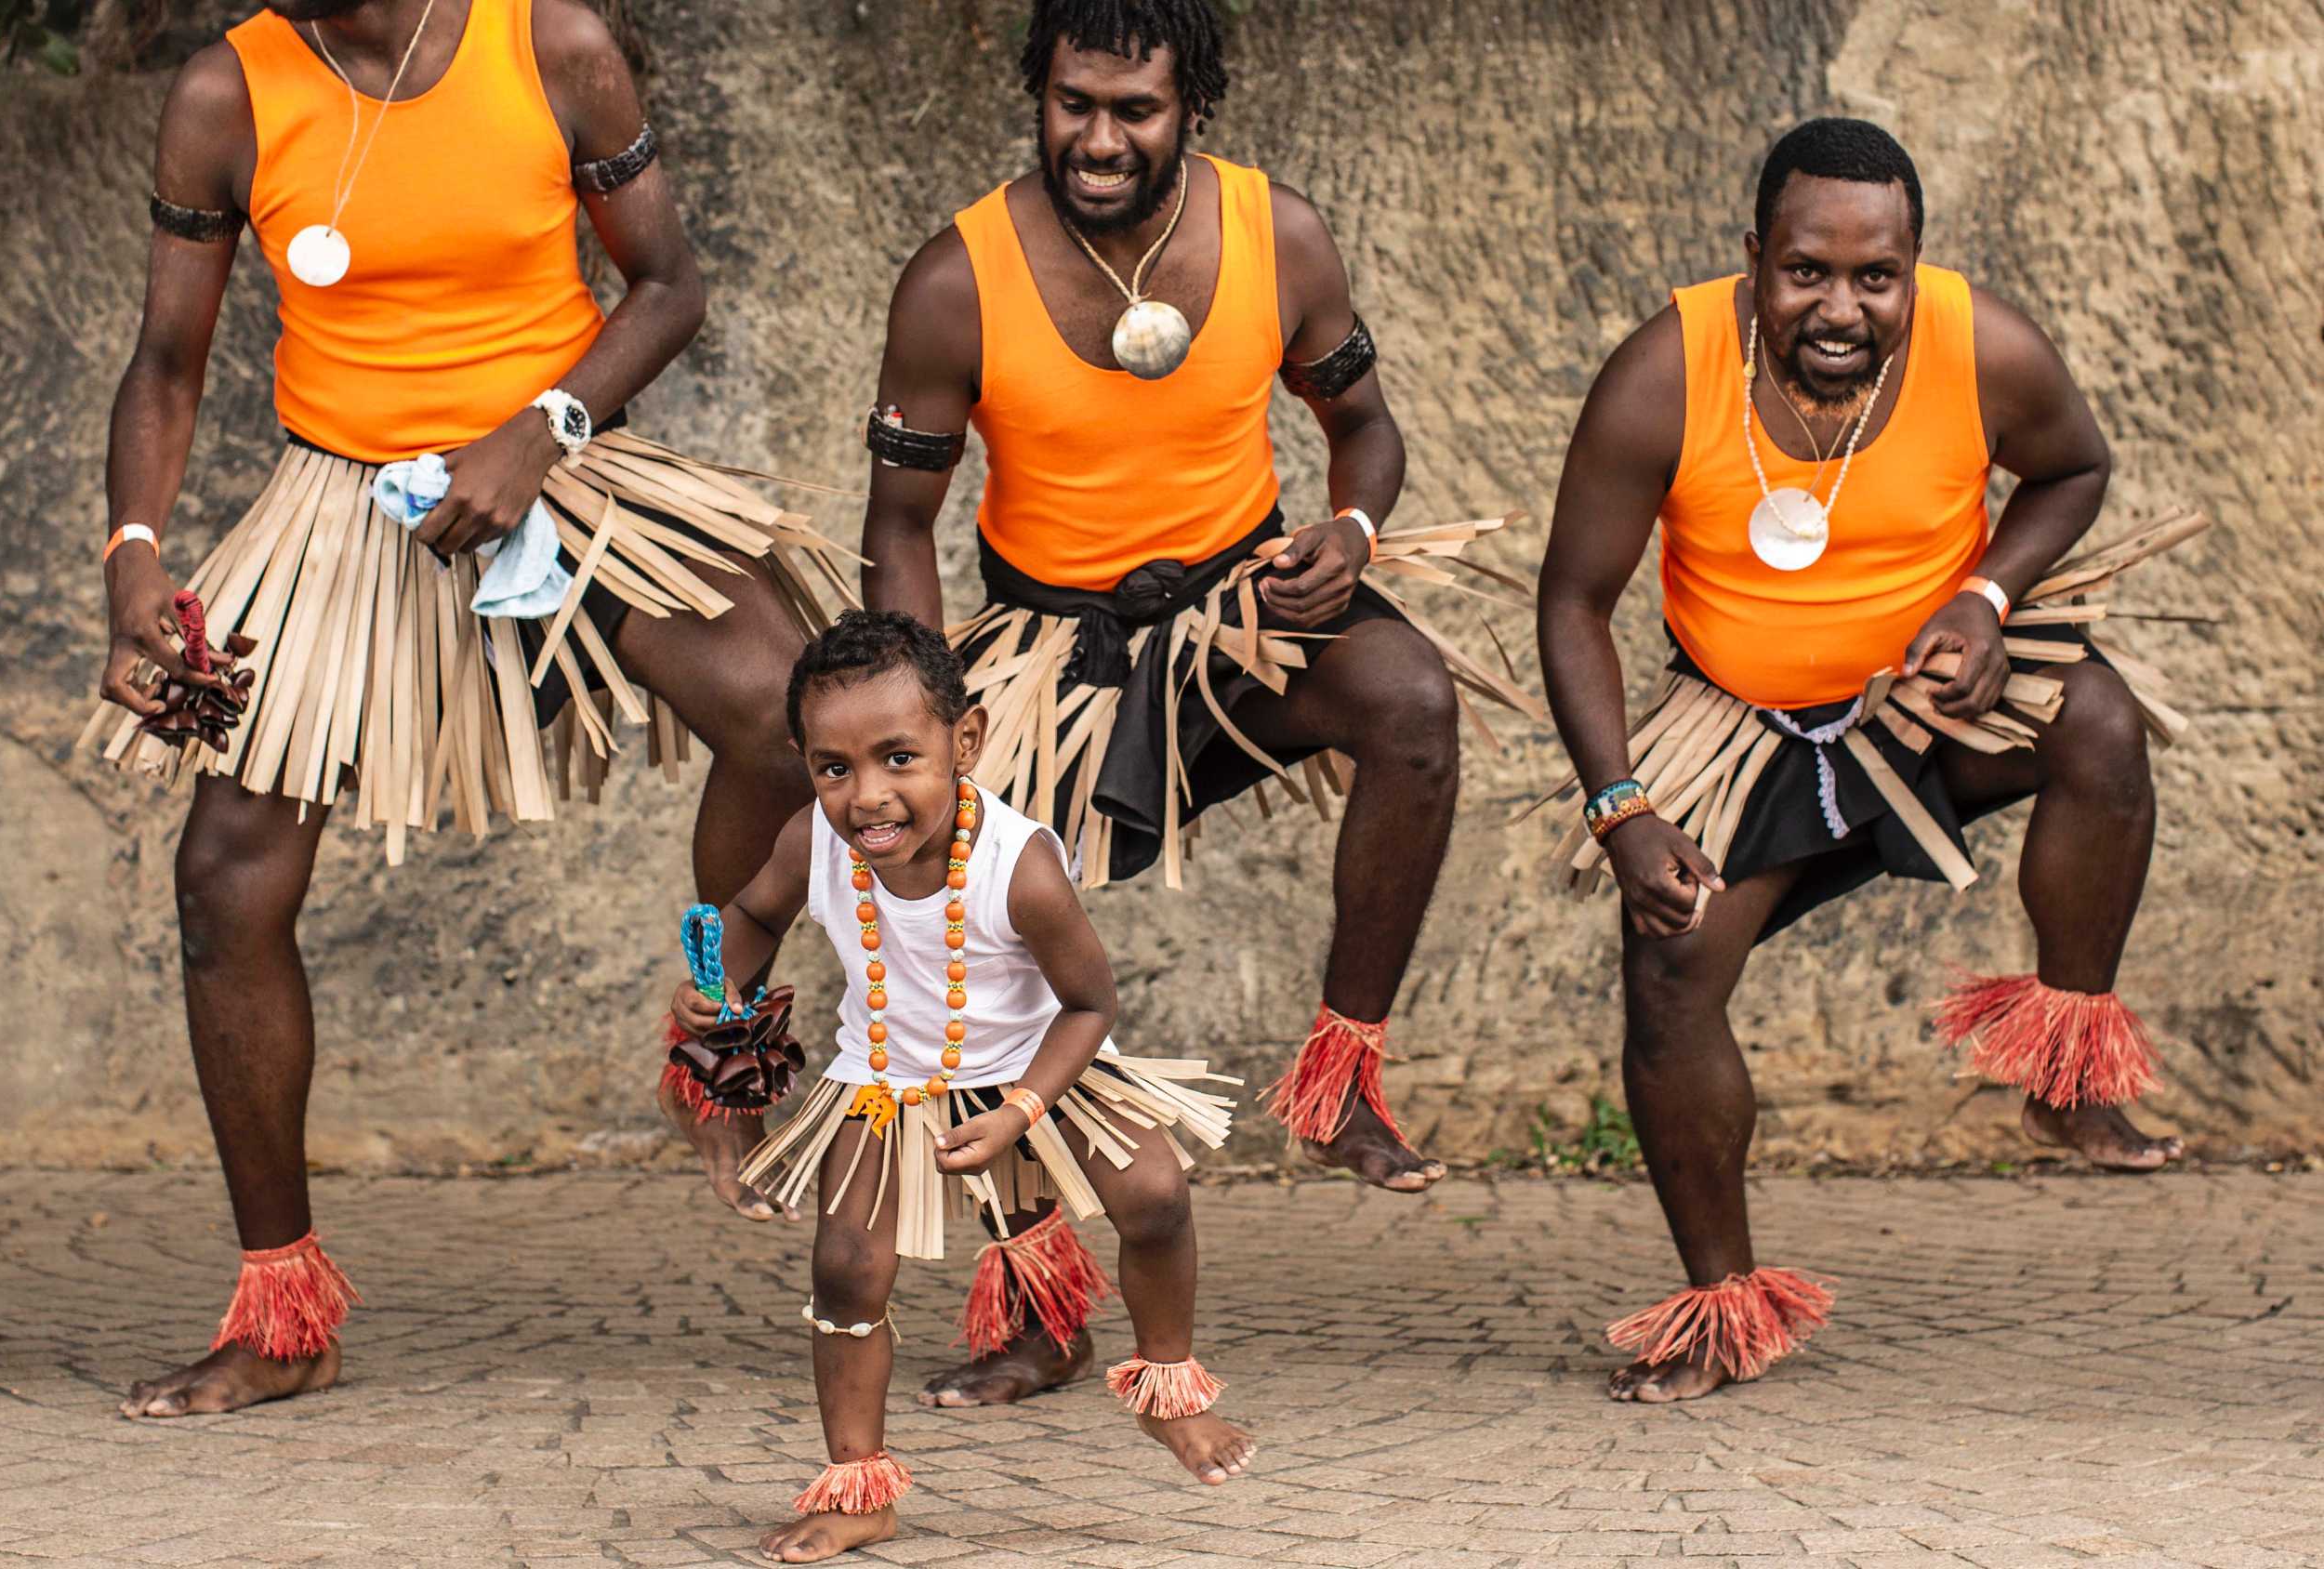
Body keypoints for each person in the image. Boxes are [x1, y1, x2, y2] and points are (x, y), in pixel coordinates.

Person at [79, 0, 847, 1418]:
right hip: (341, 502)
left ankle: (716, 1029)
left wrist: (542, 430)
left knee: (791, 717)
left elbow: (668, 286)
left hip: (561, 469)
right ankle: (282, 1311)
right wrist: (134, 557)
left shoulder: (551, 43)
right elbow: (166, 362)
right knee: (225, 880)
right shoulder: (226, 93)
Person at [854, 0, 1538, 1407]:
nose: (1099, 139)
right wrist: (929, 717)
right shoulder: (955, 279)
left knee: (1411, 700)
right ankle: (1039, 1308)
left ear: (1194, 108)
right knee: (975, 928)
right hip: (1052, 652)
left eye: (1136, 110)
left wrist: (1350, 532)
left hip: (1244, 617)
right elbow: (900, 522)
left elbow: (1365, 429)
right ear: (1039, 94)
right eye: (1074, 104)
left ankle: (1341, 1080)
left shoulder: (1279, 236)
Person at [1534, 117, 2206, 1404]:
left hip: (1928, 697)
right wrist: (1621, 804)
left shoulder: (1984, 344)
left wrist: (1988, 600)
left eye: (1874, 277)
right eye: (1806, 272)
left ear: (1914, 268)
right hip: (1740, 727)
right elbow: (1573, 600)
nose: (1840, 309)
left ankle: (2065, 1073)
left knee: (2100, 722)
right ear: (1754, 258)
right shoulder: (1664, 373)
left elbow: (2075, 469)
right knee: (1672, 966)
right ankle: (1724, 1310)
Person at [693, 612, 1250, 1563]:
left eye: (898, 757)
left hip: (1041, 1065)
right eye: (833, 768)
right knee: (846, 1268)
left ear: (966, 740)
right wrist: (718, 986)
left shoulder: (1018, 865)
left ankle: (1169, 1386)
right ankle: (858, 1487)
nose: (868, 795)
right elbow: (748, 912)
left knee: (1156, 1195)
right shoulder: (811, 840)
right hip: (883, 1079)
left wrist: (1022, 1110)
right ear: (805, 766)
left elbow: (1090, 1003)